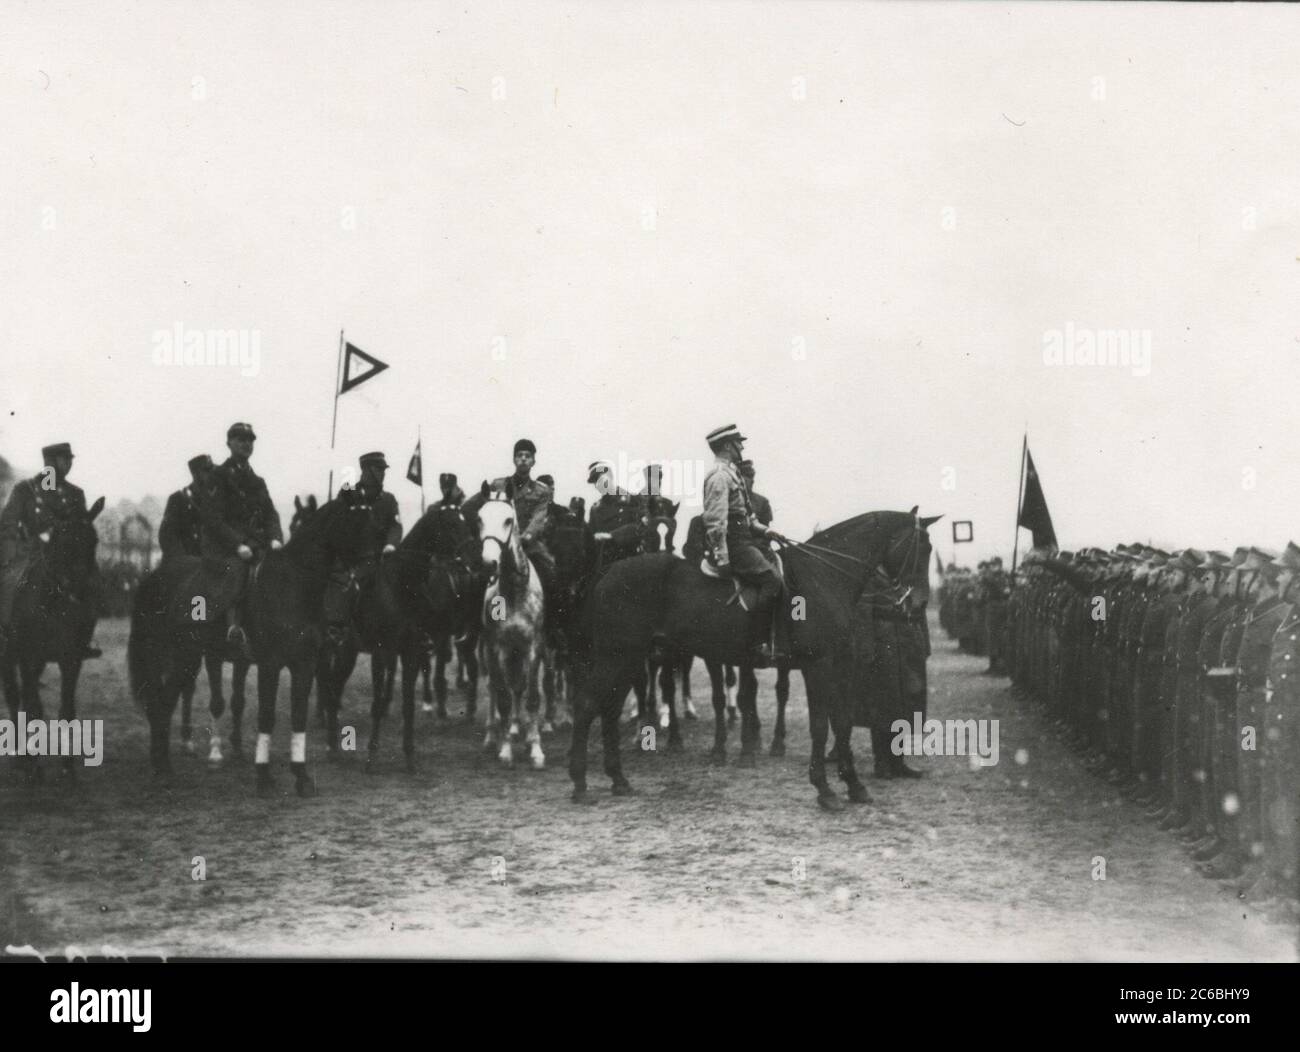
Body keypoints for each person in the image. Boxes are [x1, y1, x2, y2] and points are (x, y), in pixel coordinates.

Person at [0, 442, 101, 657]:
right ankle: (6, 635)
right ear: (50, 462)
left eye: (70, 460)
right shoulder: (25, 490)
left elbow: (80, 530)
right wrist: (14, 551)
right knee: (9, 583)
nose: (69, 464)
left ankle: (82, 639)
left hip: (63, 558)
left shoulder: (76, 494)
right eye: (65, 460)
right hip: (29, 555)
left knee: (92, 583)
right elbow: (7, 524)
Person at [701, 424, 785, 662]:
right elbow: (716, 522)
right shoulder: (719, 476)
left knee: (784, 571)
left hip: (746, 539)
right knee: (772, 579)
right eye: (738, 443)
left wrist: (768, 531)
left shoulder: (732, 473)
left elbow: (747, 518)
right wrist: (723, 556)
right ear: (728, 445)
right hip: (736, 545)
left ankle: (787, 628)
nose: (741, 447)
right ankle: (757, 642)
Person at [200, 422, 283, 654]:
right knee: (239, 569)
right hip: (224, 547)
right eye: (241, 439)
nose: (246, 444)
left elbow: (271, 514)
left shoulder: (257, 481)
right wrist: (237, 544)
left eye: (250, 440)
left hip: (256, 545)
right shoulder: (217, 476)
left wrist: (276, 537)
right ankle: (233, 627)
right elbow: (213, 519)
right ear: (229, 443)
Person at [159, 454, 215, 559]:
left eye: (213, 471)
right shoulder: (179, 499)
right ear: (195, 474)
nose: (211, 475)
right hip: (185, 563)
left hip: (209, 563)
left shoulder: (215, 500)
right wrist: (183, 560)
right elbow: (167, 537)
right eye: (206, 471)